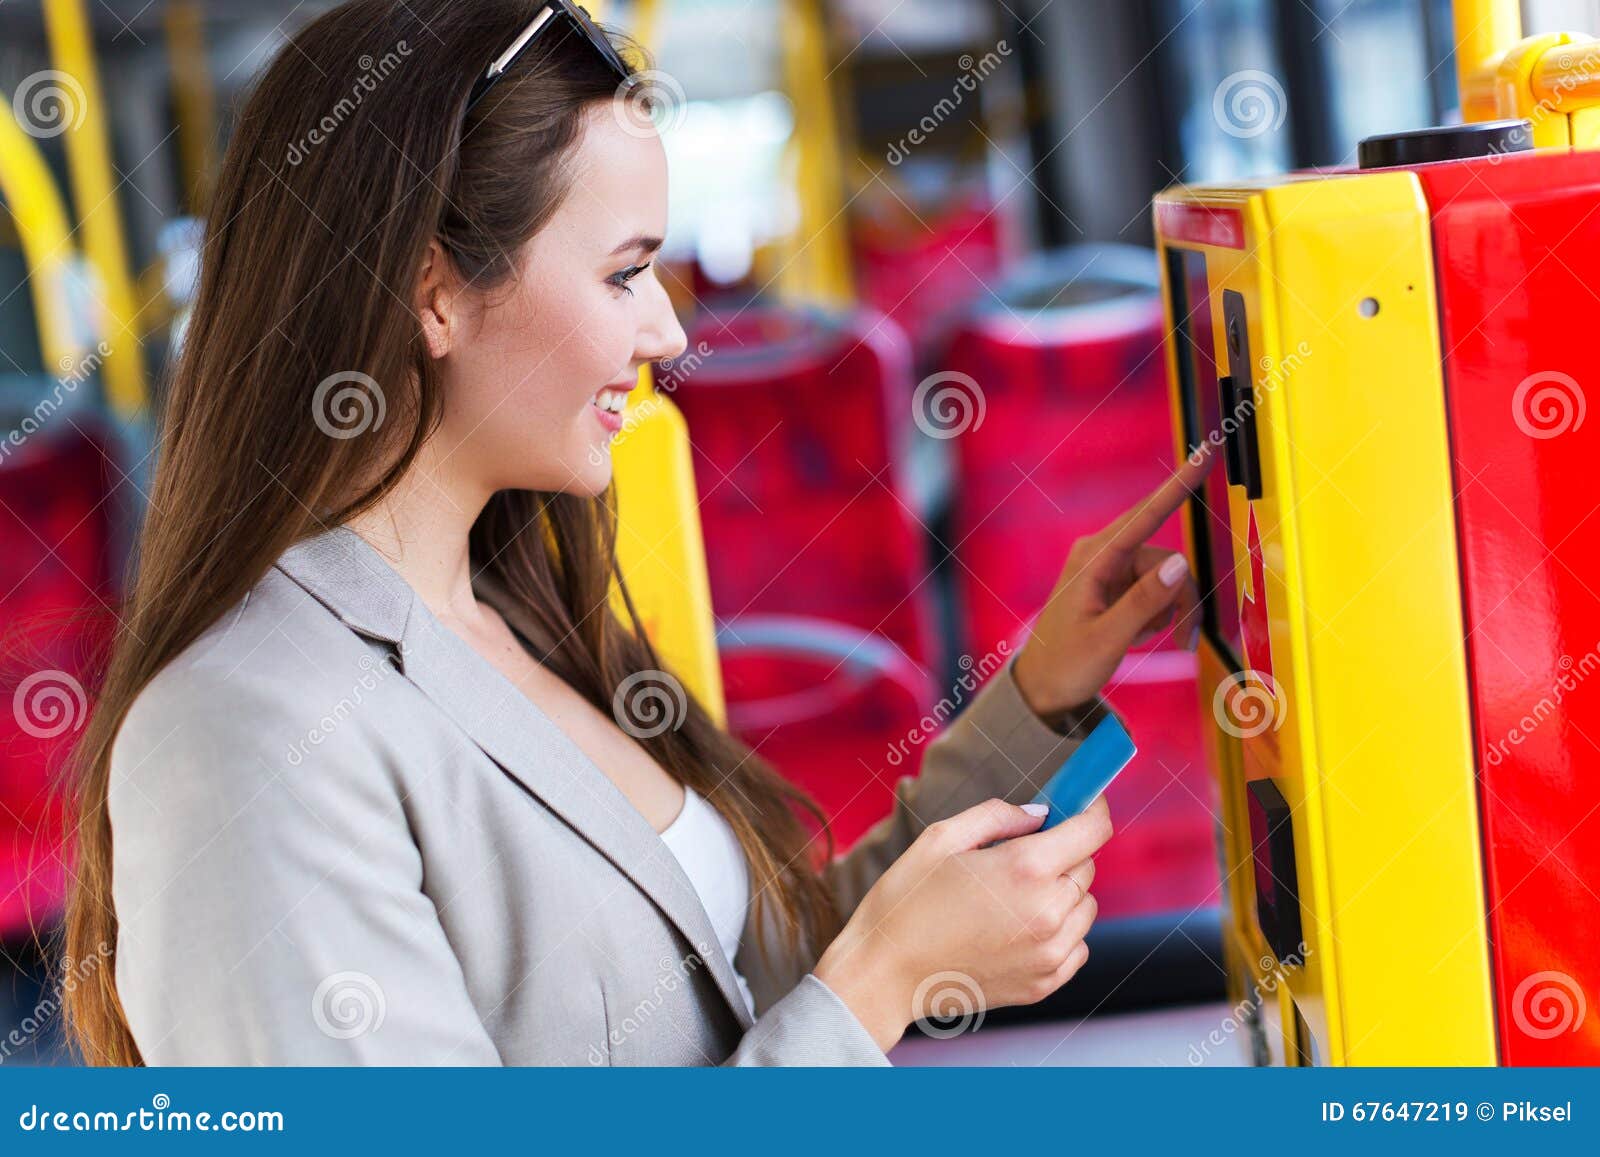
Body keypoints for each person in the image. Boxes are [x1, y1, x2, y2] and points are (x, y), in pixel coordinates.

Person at [60, 0, 1207, 1065]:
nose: (667, 332)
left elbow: (754, 983)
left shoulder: (519, 619)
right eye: (625, 274)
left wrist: (1044, 689)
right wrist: (883, 983)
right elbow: (836, 995)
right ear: (432, 291)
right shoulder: (246, 729)